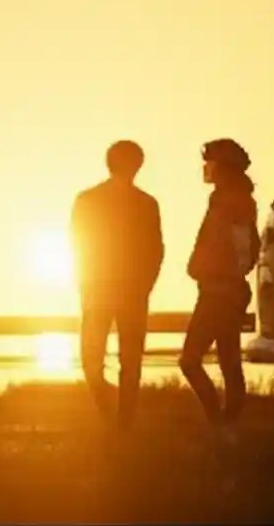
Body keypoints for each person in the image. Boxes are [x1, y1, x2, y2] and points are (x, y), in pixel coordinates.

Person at [70, 140, 164, 431]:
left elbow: (155, 250)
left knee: (109, 358)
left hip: (117, 290)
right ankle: (118, 415)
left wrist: (143, 285)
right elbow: (155, 250)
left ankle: (122, 421)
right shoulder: (93, 200)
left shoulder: (142, 203)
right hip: (109, 289)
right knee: (111, 359)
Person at [179, 139, 261, 445]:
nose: (205, 167)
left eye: (210, 162)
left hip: (220, 291)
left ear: (223, 168)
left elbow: (243, 249)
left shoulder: (233, 201)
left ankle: (219, 422)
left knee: (190, 360)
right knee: (228, 359)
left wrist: (218, 273)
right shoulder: (226, 199)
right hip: (221, 289)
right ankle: (227, 424)